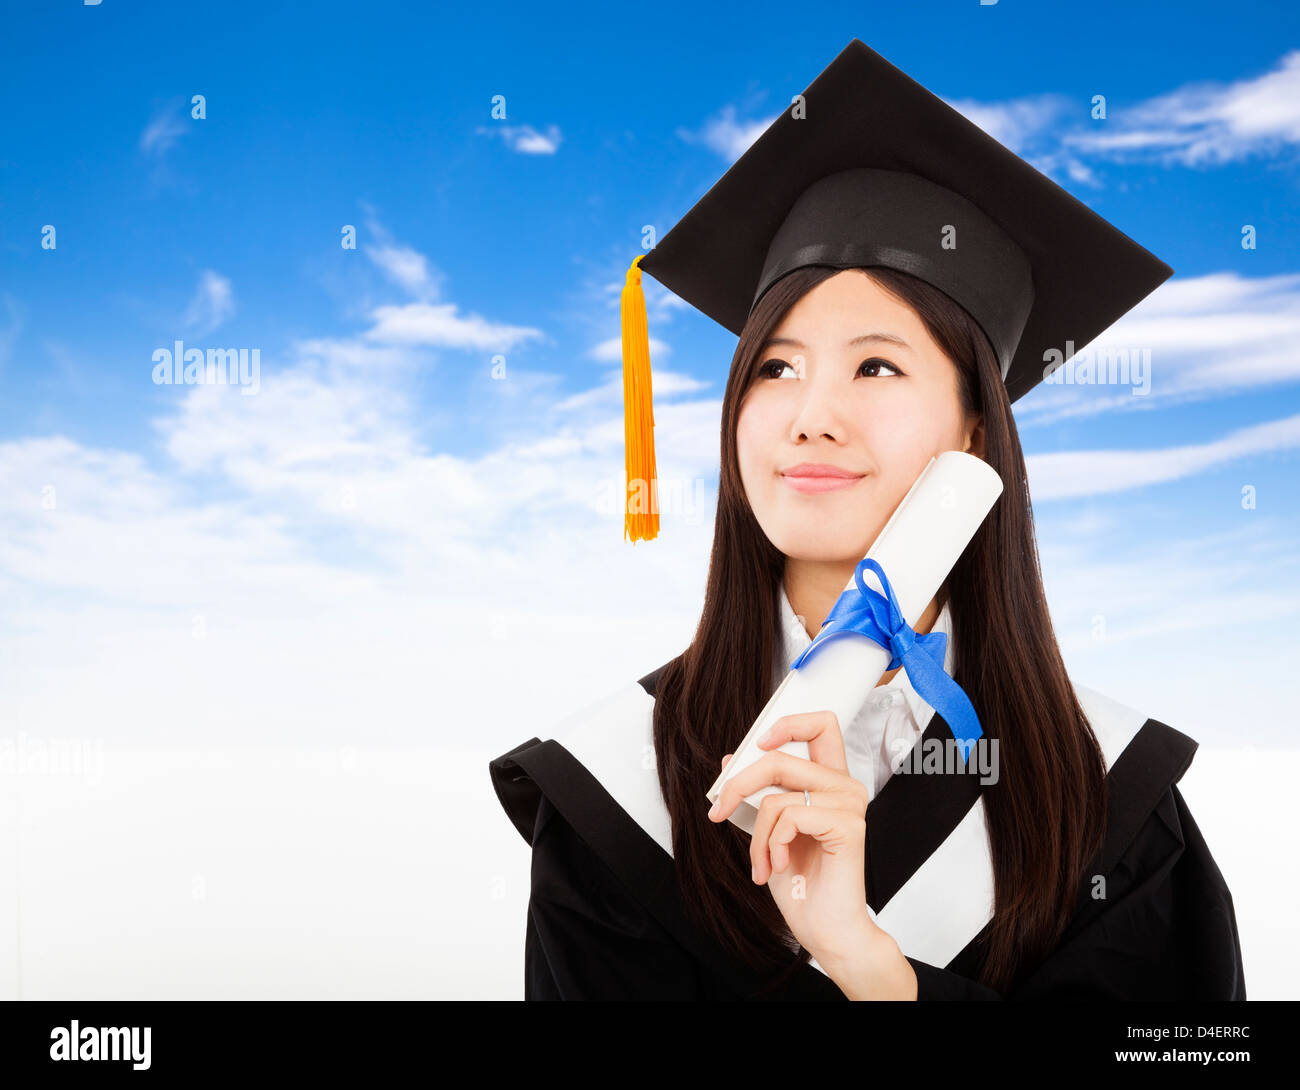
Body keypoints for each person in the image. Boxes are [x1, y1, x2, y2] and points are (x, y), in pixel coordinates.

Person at [488, 38, 1246, 1000]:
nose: (811, 412)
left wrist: (873, 969)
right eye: (776, 367)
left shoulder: (1107, 792)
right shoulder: (618, 785)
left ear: (977, 426)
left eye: (876, 366)